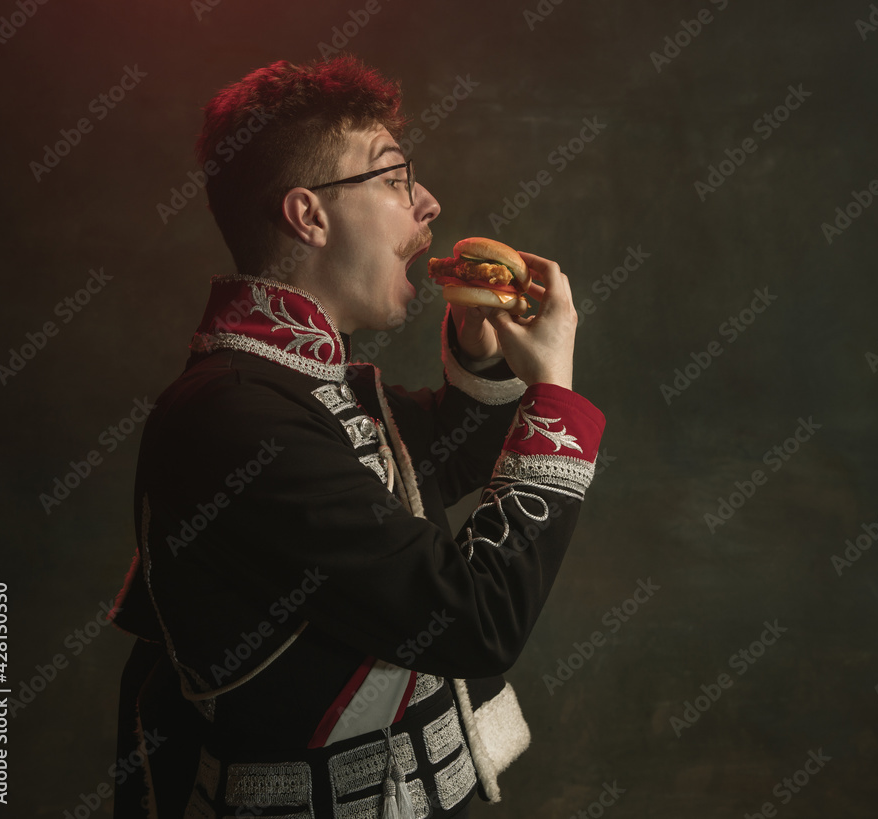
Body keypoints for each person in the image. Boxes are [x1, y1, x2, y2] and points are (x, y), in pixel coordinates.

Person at [109, 55, 605, 819]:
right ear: (309, 215)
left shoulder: (296, 383)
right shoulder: (233, 419)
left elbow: (432, 459)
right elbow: (473, 618)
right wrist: (556, 396)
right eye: (395, 178)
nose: (429, 203)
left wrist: (479, 352)